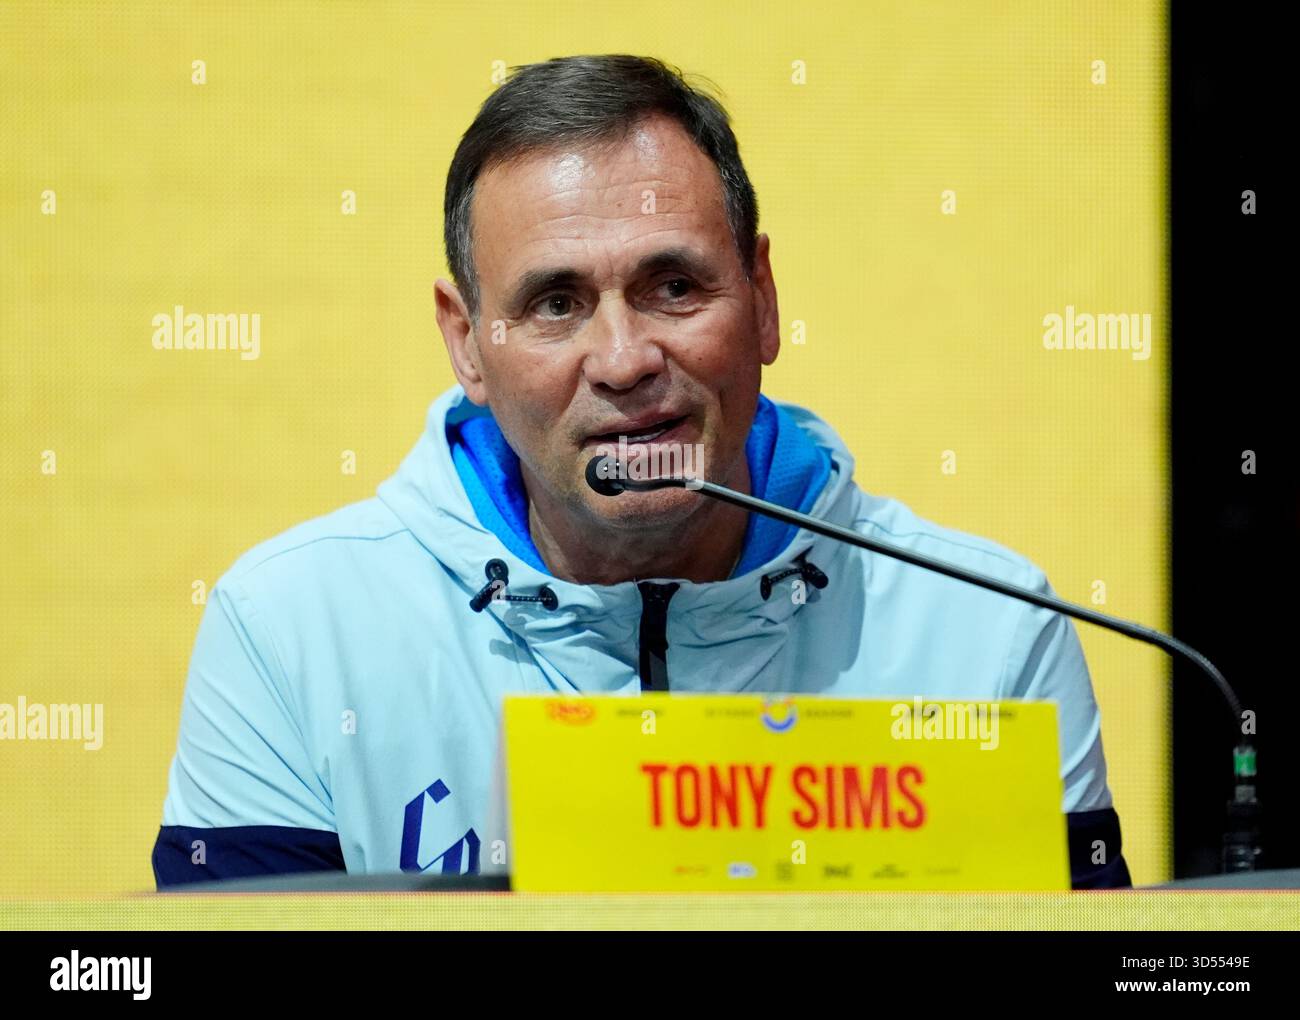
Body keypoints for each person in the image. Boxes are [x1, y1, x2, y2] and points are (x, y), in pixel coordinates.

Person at [153, 54, 1130, 889]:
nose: (623, 360)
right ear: (467, 345)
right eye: (555, 303)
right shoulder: (293, 633)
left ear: (763, 297)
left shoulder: (989, 635)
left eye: (673, 286)